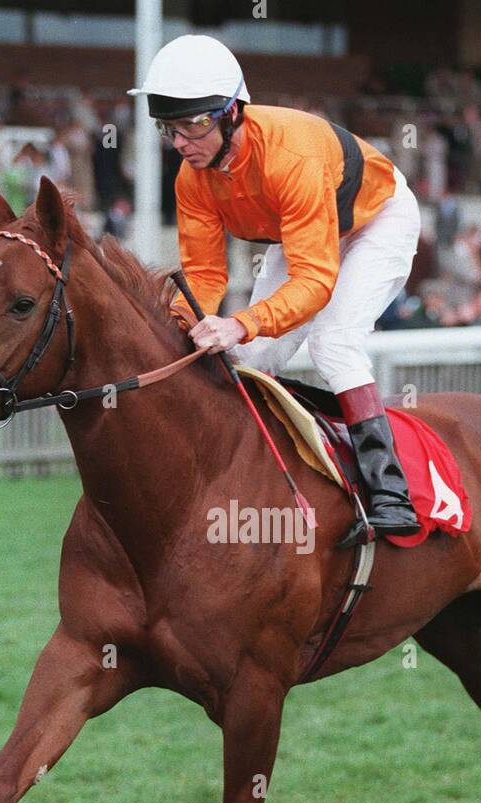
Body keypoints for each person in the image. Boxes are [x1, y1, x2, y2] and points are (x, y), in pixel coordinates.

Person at [130, 34, 422, 545]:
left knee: (332, 341)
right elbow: (203, 276)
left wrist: (239, 321)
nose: (181, 142)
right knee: (250, 360)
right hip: (305, 229)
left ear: (232, 113)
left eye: (193, 125)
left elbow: (315, 281)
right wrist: (172, 329)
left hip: (378, 220)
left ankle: (390, 495)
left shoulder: (289, 156)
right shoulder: (192, 178)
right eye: (168, 128)